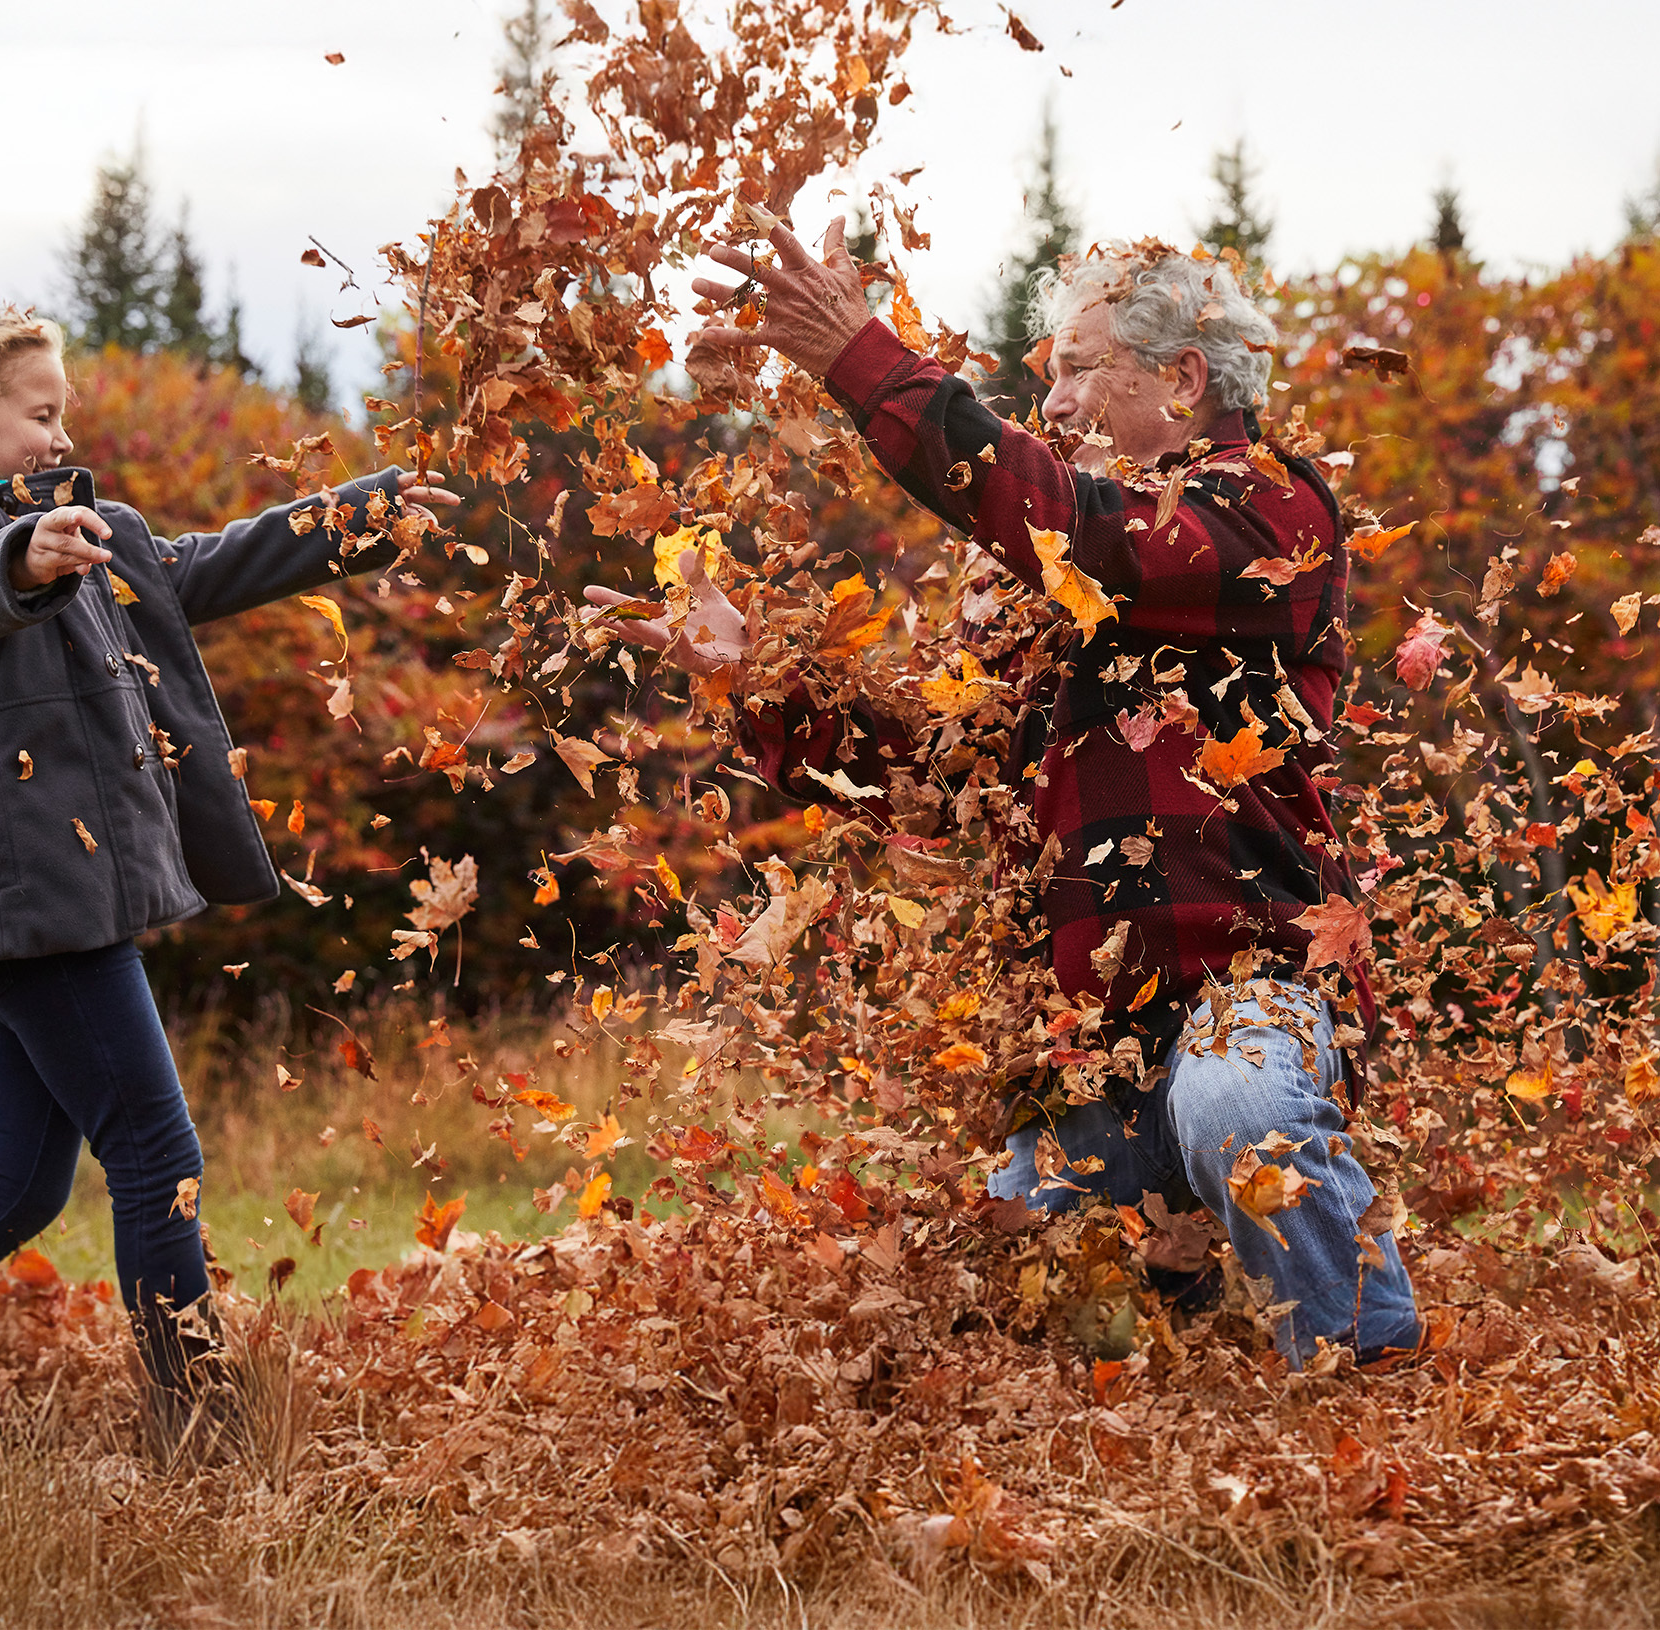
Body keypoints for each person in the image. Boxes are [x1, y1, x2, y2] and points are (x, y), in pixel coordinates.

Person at [585, 222, 1428, 1369]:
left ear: (1181, 379)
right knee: (1032, 1280)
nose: (1054, 392)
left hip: (1245, 972)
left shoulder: (1262, 508)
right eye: (1048, 371)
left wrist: (858, 354)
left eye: (1080, 365)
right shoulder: (1025, 576)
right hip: (1084, 1030)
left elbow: (1086, 532)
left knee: (1238, 1112)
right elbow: (934, 777)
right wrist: (748, 679)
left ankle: (1372, 1375)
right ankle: (1182, 1345)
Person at [0, 304, 457, 1451]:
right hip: (42, 908)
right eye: (36, 414)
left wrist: (355, 517)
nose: (56, 433)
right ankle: (200, 1437)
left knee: (18, 1186)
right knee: (157, 1157)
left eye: (62, 413)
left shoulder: (86, 533)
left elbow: (207, 561)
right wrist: (21, 559)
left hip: (48, 907)